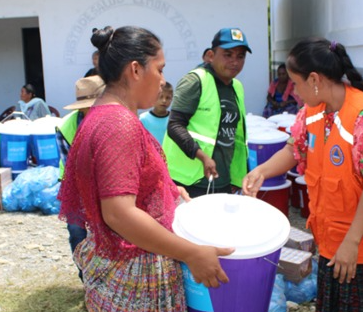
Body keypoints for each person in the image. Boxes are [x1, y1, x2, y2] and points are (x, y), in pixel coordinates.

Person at [58, 25, 233, 311]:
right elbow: (119, 213)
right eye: (160, 69)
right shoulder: (118, 124)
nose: (164, 81)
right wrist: (192, 253)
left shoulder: (104, 113)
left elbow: (118, 186)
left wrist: (165, 190)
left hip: (127, 259)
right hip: (136, 270)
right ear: (136, 70)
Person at [242, 38, 363, 311]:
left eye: (296, 83)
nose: (295, 92)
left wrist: (352, 242)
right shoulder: (313, 111)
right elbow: (294, 150)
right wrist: (261, 171)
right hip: (332, 240)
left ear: (314, 79)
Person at [162, 27, 251, 198]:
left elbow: (235, 137)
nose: (235, 61)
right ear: (211, 55)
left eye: (240, 56)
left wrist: (236, 177)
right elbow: (174, 125)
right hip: (190, 180)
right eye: (228, 54)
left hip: (222, 179)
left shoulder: (237, 87)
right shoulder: (195, 81)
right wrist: (202, 156)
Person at [55, 75, 106, 282]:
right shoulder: (65, 127)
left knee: (104, 233)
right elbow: (72, 167)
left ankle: (104, 281)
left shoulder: (112, 121)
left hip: (104, 185)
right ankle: (86, 279)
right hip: (73, 184)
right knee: (78, 233)